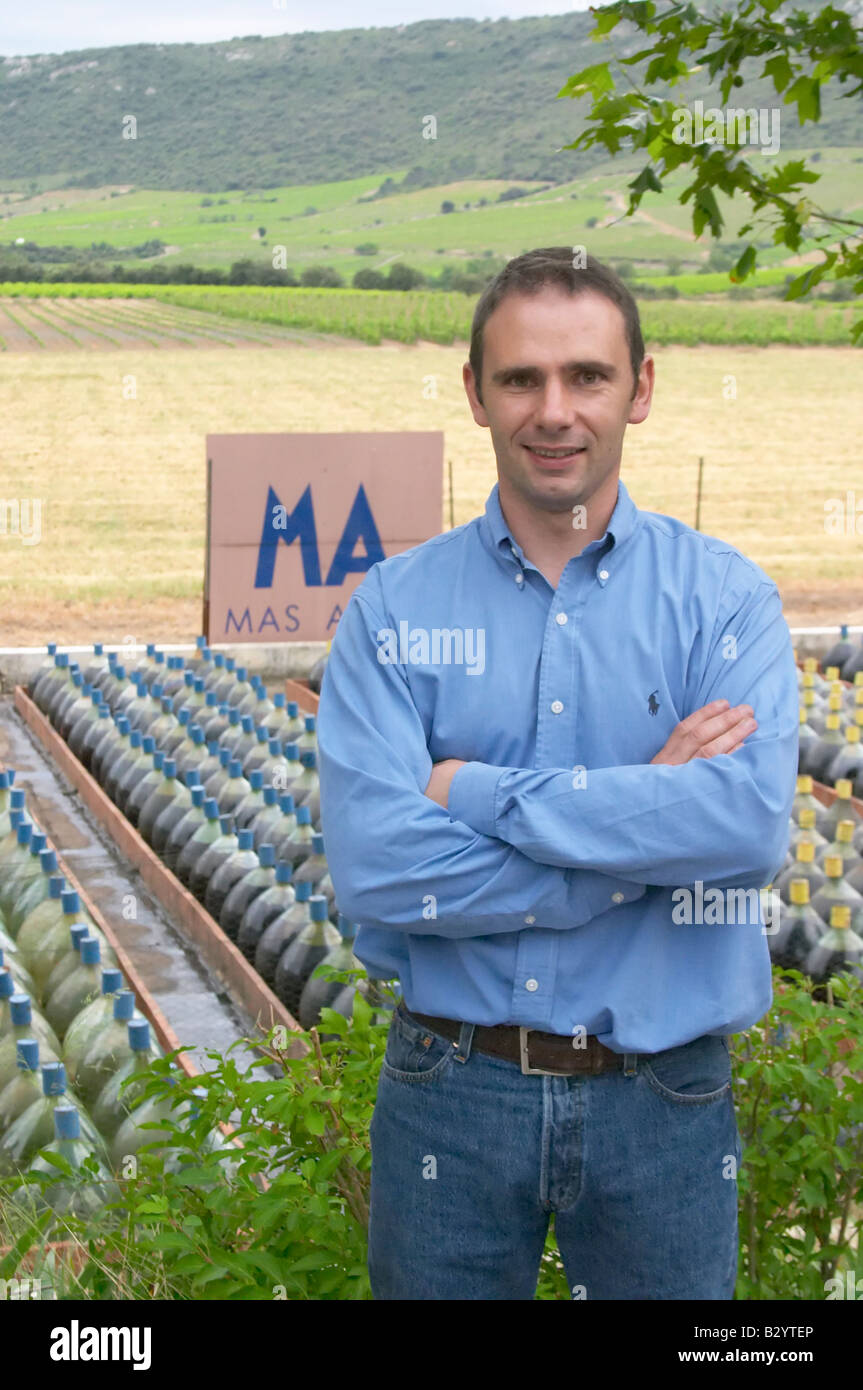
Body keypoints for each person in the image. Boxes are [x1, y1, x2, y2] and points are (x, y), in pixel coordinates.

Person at [316, 248, 799, 1300]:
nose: (553, 409)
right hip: (452, 1087)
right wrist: (639, 839)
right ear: (475, 396)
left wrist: (474, 794)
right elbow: (381, 869)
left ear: (640, 388)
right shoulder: (394, 610)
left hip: (663, 1101)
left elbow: (747, 827)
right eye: (519, 379)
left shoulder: (723, 602)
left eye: (585, 375)